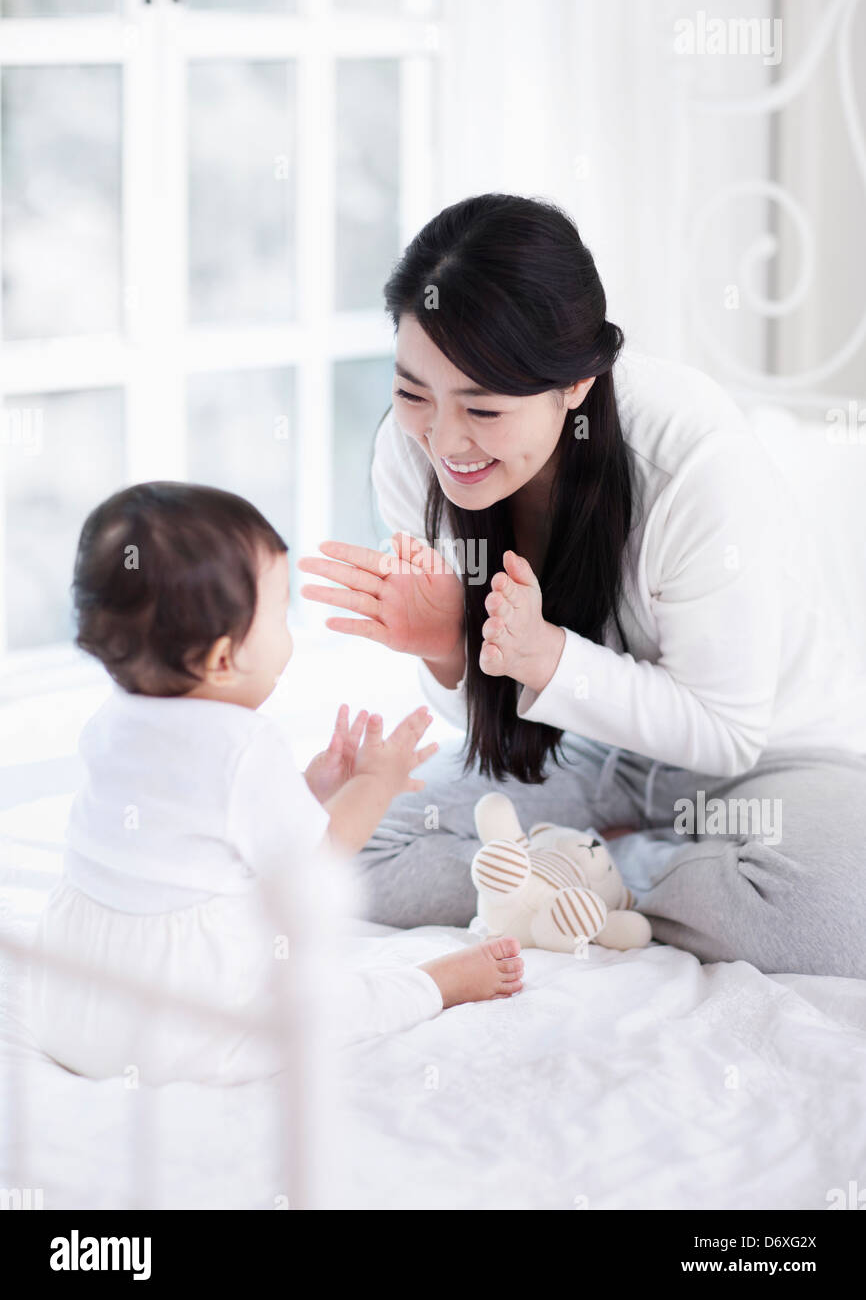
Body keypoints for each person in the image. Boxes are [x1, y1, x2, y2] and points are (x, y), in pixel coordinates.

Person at [298, 192, 866, 978]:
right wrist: (445, 650)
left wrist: (548, 656)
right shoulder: (412, 453)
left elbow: (726, 730)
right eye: (413, 392)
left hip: (769, 756)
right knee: (348, 854)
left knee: (830, 922)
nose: (443, 438)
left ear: (576, 385)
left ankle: (603, 883)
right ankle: (584, 866)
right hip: (580, 751)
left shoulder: (694, 466)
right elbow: (493, 722)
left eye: (484, 408)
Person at [28, 483, 524, 1086]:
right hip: (176, 1020)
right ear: (220, 660)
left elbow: (207, 831)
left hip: (77, 999)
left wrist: (309, 792)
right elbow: (313, 865)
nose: (290, 632)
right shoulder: (242, 743)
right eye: (279, 611)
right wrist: (375, 781)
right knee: (323, 1001)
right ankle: (439, 983)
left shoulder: (111, 723)